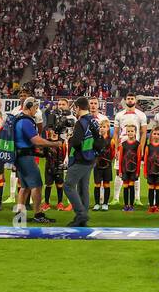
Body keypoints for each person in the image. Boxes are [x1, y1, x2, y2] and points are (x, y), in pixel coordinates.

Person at [11, 96, 59, 225]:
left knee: (25, 187)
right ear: (30, 106)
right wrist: (53, 144)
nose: (36, 111)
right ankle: (38, 214)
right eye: (35, 108)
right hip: (26, 157)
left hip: (19, 156)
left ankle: (19, 216)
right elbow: (35, 140)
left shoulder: (18, 118)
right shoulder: (26, 121)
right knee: (37, 185)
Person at [64, 97, 101, 227]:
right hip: (91, 158)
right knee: (83, 187)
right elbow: (99, 139)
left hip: (81, 159)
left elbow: (77, 142)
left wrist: (71, 138)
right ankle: (82, 217)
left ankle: (81, 214)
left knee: (68, 185)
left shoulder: (81, 122)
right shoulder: (94, 121)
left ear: (78, 108)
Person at [112, 94, 148, 206]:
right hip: (122, 148)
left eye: (132, 99)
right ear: (125, 100)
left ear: (135, 101)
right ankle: (116, 198)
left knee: (135, 172)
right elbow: (116, 133)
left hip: (134, 149)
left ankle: (137, 198)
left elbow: (143, 133)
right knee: (118, 172)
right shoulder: (119, 115)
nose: (130, 100)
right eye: (128, 98)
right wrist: (117, 148)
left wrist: (141, 149)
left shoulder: (141, 115)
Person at [117, 127, 143, 212]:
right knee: (125, 187)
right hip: (125, 169)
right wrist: (120, 170)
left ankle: (131, 205)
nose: (130, 133)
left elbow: (139, 158)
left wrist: (138, 171)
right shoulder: (123, 144)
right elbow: (120, 158)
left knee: (131, 187)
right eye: (128, 131)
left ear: (135, 132)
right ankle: (125, 205)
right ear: (126, 132)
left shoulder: (138, 144)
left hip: (133, 169)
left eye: (132, 131)